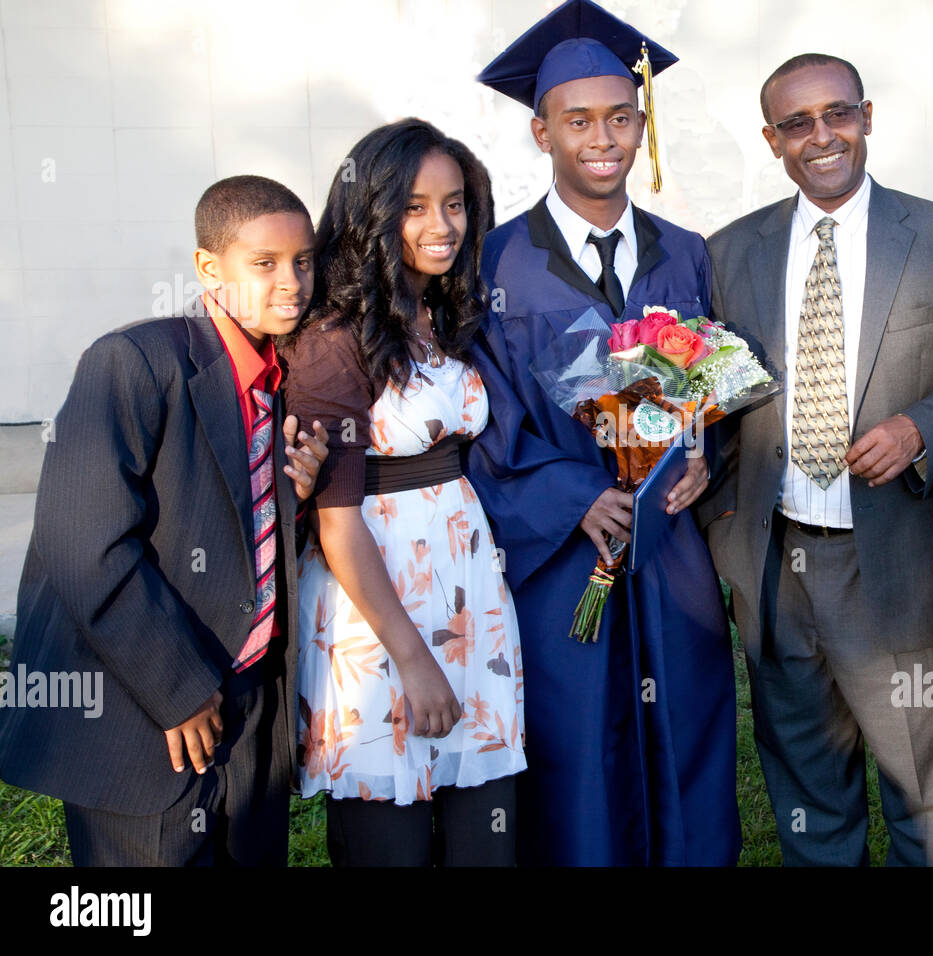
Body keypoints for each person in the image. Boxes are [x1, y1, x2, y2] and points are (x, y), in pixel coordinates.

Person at [700, 53, 933, 866]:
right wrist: (727, 537)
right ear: (772, 140)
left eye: (837, 113)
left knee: (922, 795)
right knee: (807, 796)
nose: (821, 136)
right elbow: (713, 405)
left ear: (867, 115)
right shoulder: (728, 253)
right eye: (797, 123)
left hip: (895, 560)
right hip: (775, 569)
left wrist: (922, 429)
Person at [469, 0, 740, 866]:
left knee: (689, 732)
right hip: (560, 561)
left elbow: (713, 394)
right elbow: (484, 422)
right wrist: (579, 495)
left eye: (622, 117)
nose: (604, 137)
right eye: (578, 119)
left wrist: (706, 454)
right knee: (577, 746)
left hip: (669, 550)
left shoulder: (685, 252)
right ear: (541, 131)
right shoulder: (493, 263)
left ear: (641, 125)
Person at [0, 175, 329, 865]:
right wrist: (179, 691)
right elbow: (83, 544)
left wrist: (299, 494)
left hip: (250, 708)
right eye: (263, 264)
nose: (291, 281)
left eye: (303, 260)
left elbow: (234, 534)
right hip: (147, 713)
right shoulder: (136, 361)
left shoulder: (281, 376)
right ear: (210, 268)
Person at [279, 119, 525, 867]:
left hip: (466, 591)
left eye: (455, 204)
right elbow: (338, 524)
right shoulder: (334, 338)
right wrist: (413, 660)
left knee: (485, 832)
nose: (442, 224)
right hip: (379, 609)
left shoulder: (443, 312)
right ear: (373, 215)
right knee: (391, 839)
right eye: (415, 207)